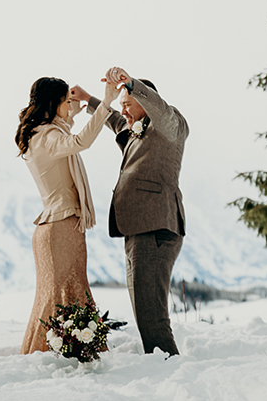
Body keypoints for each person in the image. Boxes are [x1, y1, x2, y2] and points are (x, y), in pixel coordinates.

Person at [85, 66, 189, 356]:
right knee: (144, 312)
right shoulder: (135, 131)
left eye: (129, 104)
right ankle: (160, 365)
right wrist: (89, 99)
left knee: (152, 314)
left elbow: (161, 110)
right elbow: (116, 121)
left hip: (156, 229)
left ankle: (169, 368)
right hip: (136, 229)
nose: (125, 112)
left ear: (146, 101)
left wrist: (132, 83)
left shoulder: (170, 126)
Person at [15, 76, 113, 355]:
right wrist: (106, 102)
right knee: (70, 290)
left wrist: (76, 109)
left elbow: (63, 132)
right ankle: (65, 354)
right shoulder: (49, 136)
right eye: (65, 103)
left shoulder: (37, 133)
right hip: (62, 227)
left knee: (53, 296)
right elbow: (78, 141)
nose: (69, 107)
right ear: (52, 104)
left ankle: (47, 352)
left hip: (49, 227)